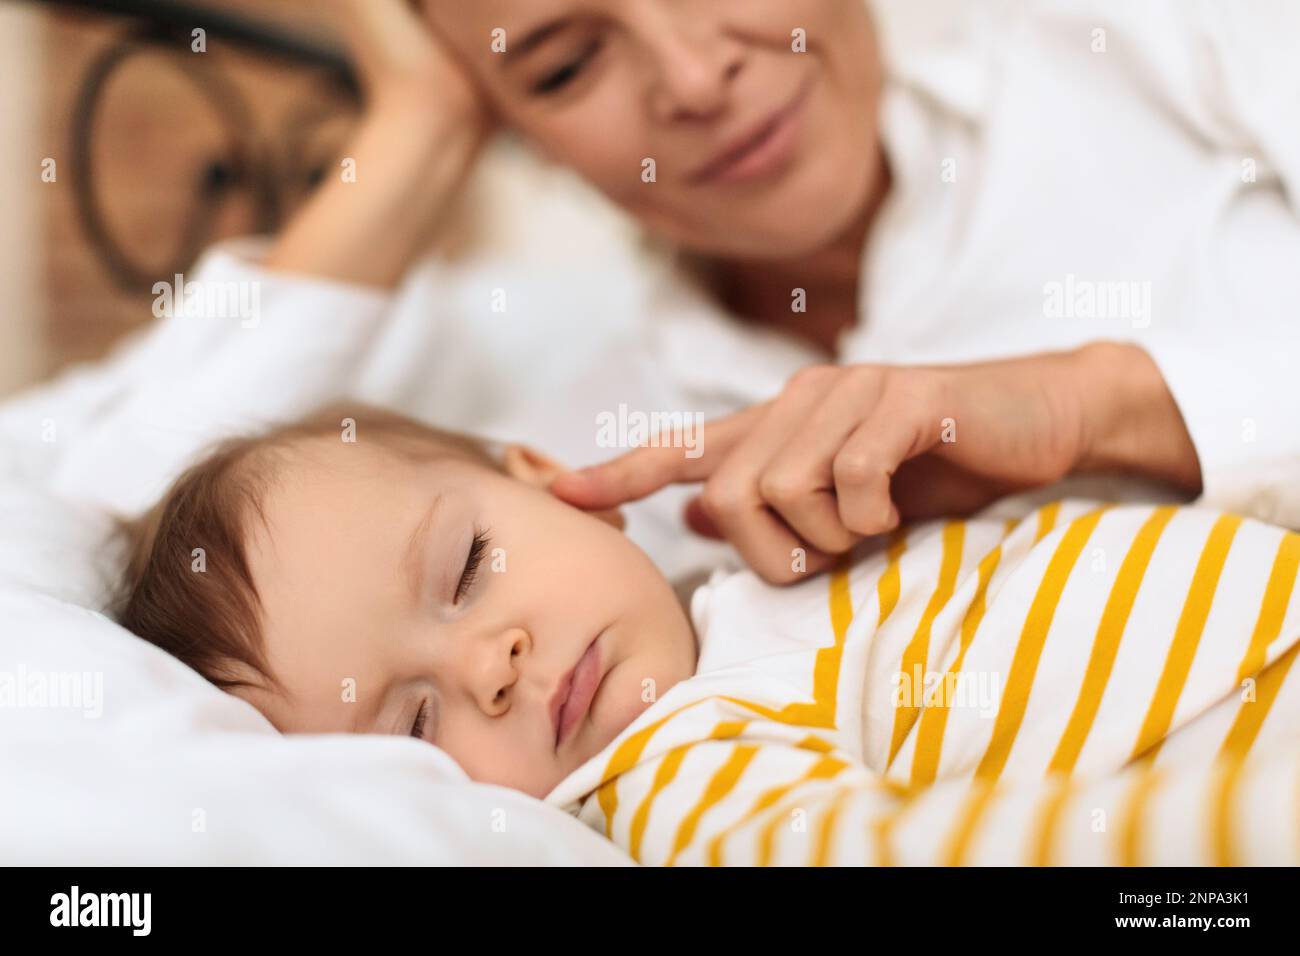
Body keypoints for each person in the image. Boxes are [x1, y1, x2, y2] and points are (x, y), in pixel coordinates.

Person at [188, 0, 1300, 584]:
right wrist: (415, 125)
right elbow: (131, 565)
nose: (691, 75)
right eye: (564, 66)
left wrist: (1099, 404)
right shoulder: (596, 473)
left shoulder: (1162, 42)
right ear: (516, 134)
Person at [112, 402, 1300, 865]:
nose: (491, 665)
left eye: (468, 567)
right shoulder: (678, 767)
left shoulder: (771, 554)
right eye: (415, 719)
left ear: (554, 479)